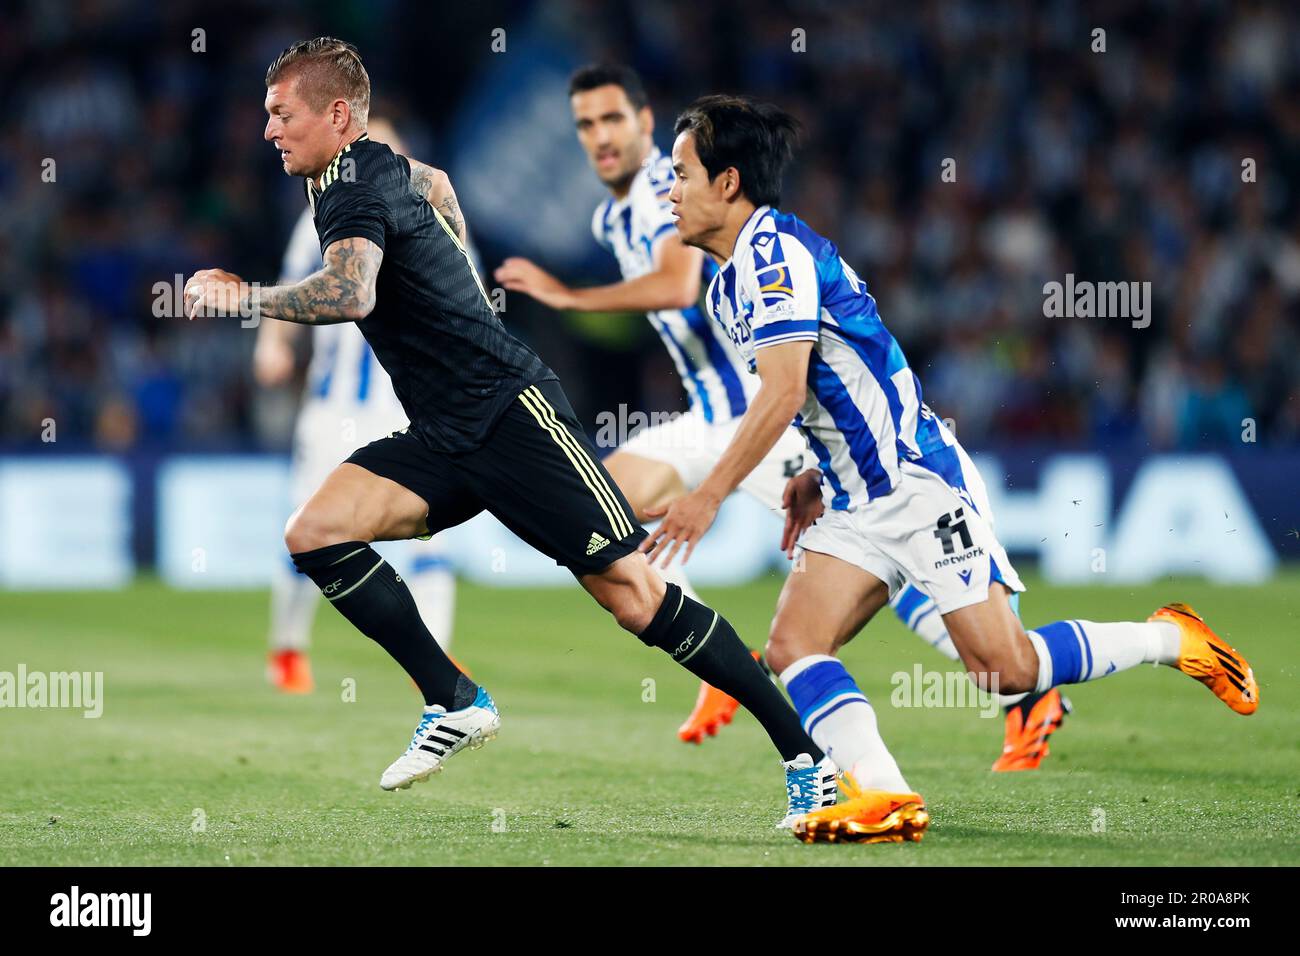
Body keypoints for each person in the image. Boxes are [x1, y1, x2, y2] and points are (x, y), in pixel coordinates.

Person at [182, 38, 836, 827]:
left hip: (513, 416)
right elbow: (439, 184)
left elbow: (352, 294)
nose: (268, 131)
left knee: (635, 599)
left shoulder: (351, 187)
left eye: (281, 114)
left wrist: (244, 298)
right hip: (445, 431)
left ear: (337, 114)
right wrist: (454, 267)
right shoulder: (371, 166)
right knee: (315, 531)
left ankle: (807, 757)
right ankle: (454, 699)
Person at [649, 94, 1259, 843]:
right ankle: (885, 796)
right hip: (850, 499)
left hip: (914, 483)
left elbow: (780, 389)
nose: (667, 189)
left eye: (679, 172)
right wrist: (812, 469)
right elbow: (823, 381)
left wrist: (707, 497)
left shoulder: (773, 256)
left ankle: (1172, 637)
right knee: (793, 645)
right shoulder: (727, 283)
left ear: (729, 182)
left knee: (1006, 668)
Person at [496, 63, 1070, 771]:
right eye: (585, 124)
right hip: (710, 414)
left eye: (614, 119)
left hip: (761, 418)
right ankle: (716, 655)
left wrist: (567, 297)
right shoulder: (612, 215)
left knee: (881, 549)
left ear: (645, 124)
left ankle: (1018, 685)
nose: (600, 137)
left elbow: (678, 285)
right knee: (600, 504)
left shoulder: (666, 189)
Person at [253, 117, 457, 694]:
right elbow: (290, 286)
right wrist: (272, 346)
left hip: (405, 408)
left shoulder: (432, 215)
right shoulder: (319, 214)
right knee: (305, 530)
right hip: (331, 408)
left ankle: (437, 666)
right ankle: (288, 648)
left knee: (429, 535)